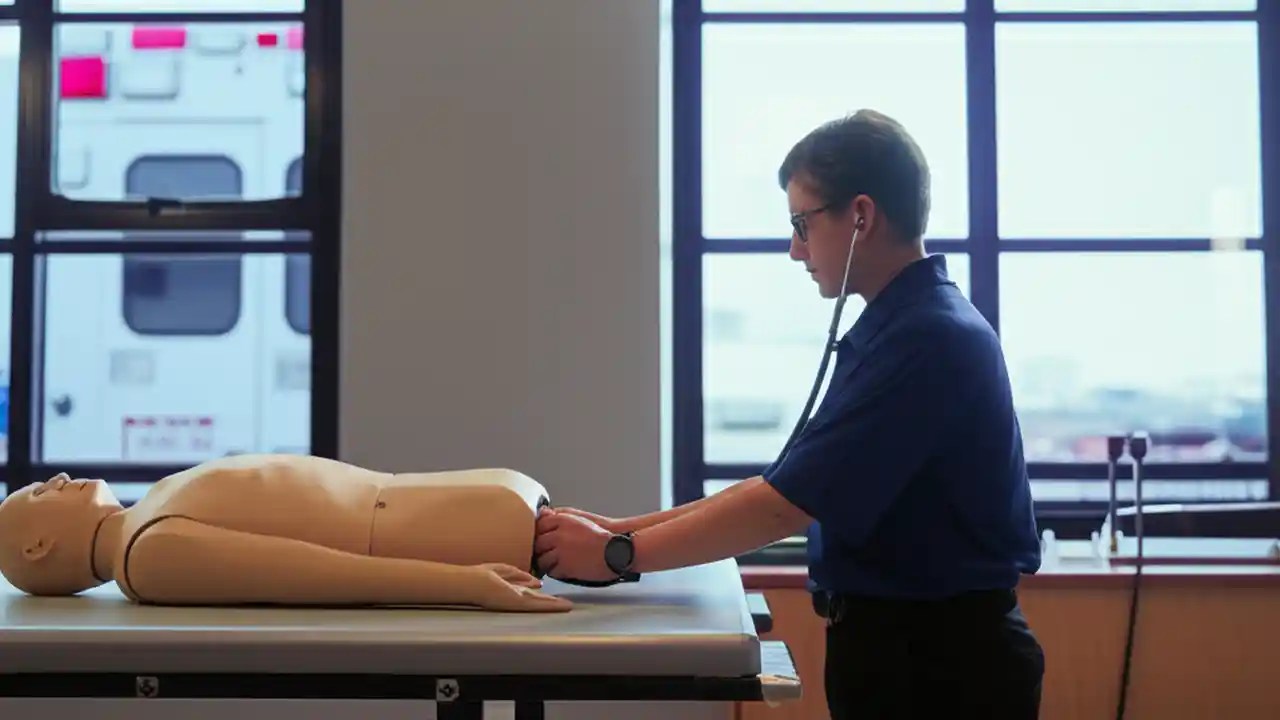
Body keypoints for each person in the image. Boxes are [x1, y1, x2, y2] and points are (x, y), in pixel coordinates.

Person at [534, 109, 1045, 717]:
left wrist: (618, 554)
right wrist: (620, 528)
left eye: (803, 223)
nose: (794, 248)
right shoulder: (901, 329)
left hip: (939, 665)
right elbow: (780, 486)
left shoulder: (927, 341)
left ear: (860, 216)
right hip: (908, 650)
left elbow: (781, 506)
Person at [0, 453, 570, 613]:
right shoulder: (150, 555)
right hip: (443, 533)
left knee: (609, 536)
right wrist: (462, 584)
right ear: (37, 547)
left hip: (436, 504)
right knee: (612, 544)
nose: (58, 479)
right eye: (41, 494)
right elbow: (319, 575)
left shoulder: (153, 506)